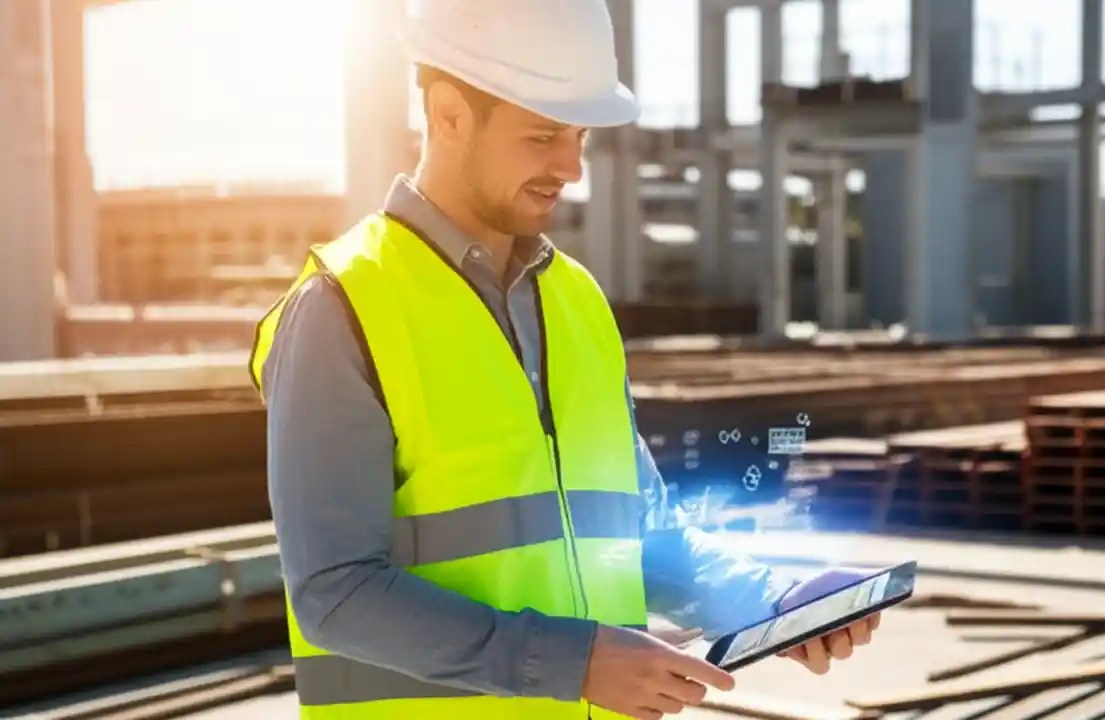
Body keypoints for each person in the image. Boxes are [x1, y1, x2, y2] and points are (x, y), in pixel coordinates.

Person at [249, 0, 881, 718]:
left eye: (578, 134)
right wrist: (572, 663)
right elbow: (336, 592)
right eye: (544, 134)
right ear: (450, 114)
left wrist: (769, 600)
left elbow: (641, 530)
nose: (571, 167)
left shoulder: (576, 300)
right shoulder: (342, 308)